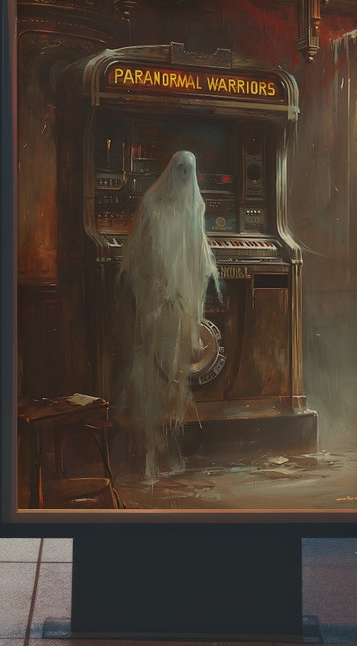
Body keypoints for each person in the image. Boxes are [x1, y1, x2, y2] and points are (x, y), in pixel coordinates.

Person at [112, 150, 221, 480]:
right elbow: (143, 254)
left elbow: (200, 253)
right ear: (171, 170)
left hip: (181, 304)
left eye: (190, 170)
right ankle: (146, 449)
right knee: (154, 370)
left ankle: (168, 447)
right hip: (156, 302)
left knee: (177, 375)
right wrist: (162, 289)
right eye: (180, 169)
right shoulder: (153, 204)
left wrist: (194, 288)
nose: (185, 175)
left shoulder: (194, 207)